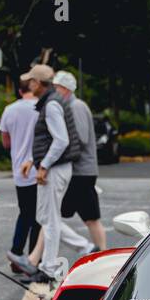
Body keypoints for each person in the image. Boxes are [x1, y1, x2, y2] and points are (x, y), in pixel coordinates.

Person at [7, 63, 82, 285]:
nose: (28, 84)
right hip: (55, 167)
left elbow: (61, 141)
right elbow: (53, 140)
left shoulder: (50, 105)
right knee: (45, 218)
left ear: (38, 83)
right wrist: (34, 161)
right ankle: (80, 248)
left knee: (48, 220)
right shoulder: (51, 102)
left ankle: (49, 268)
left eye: (30, 81)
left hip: (56, 168)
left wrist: (43, 165)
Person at [54, 71, 105, 251]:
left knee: (51, 217)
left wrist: (58, 145)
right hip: (81, 172)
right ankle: (101, 253)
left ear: (66, 89)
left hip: (80, 172)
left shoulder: (75, 107)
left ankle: (97, 251)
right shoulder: (72, 106)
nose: (54, 91)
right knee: (90, 218)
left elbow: (81, 138)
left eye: (57, 87)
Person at [0, 80, 40, 260]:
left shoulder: (9, 110)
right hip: (40, 169)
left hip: (20, 171)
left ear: (19, 90)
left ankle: (16, 251)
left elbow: (6, 143)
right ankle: (33, 257)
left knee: (25, 213)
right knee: (39, 217)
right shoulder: (43, 108)